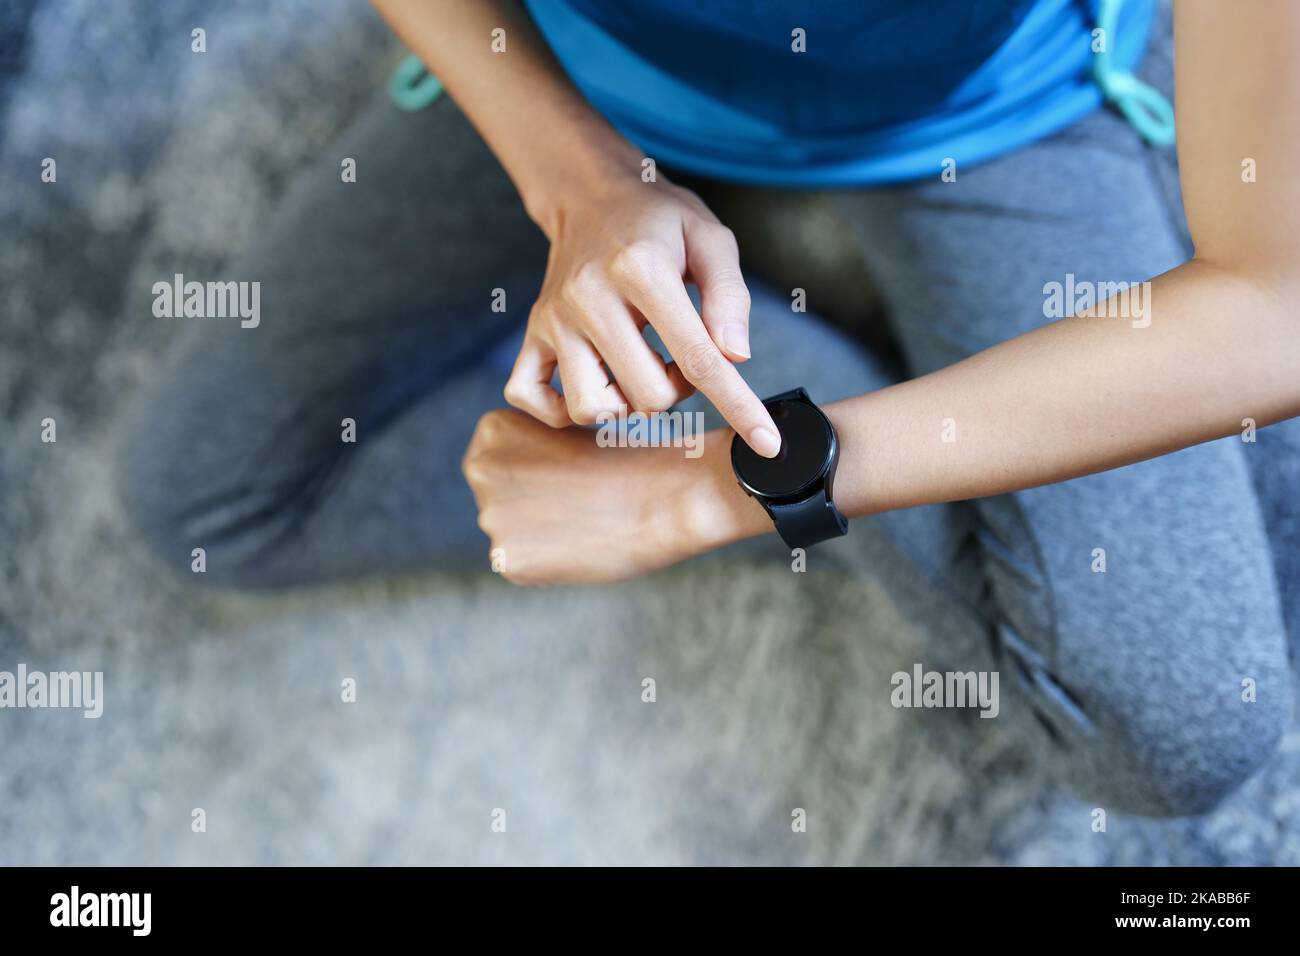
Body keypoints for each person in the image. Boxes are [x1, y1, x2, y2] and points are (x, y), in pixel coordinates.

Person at [116, 0, 1300, 816]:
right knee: (213, 497)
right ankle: (778, 370)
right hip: (582, 77)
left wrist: (714, 486)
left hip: (991, 114)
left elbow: (1274, 304)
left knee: (1175, 726)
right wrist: (576, 182)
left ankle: (780, 392)